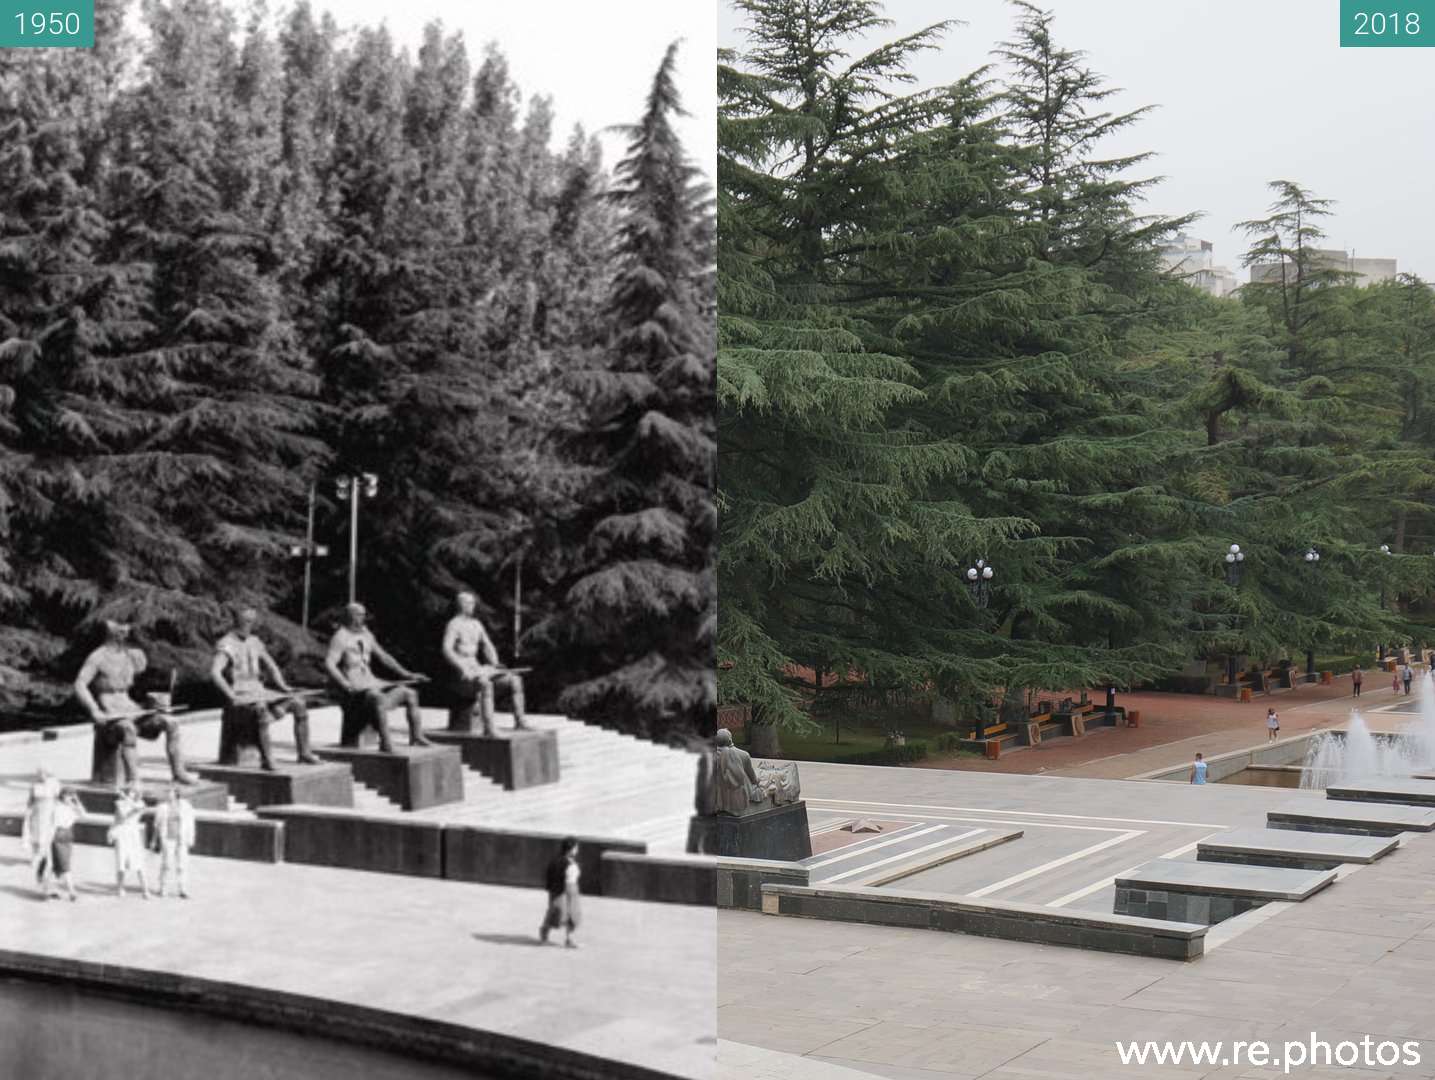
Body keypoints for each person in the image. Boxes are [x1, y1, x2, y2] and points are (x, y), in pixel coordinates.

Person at [75, 620, 195, 784]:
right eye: (120, 632)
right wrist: (94, 709)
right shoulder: (98, 657)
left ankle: (179, 772)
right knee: (128, 729)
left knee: (171, 723)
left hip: (131, 707)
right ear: (111, 633)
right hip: (110, 710)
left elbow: (144, 677)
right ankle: (133, 779)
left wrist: (154, 702)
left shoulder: (130, 655)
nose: (125, 635)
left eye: (126, 632)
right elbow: (80, 684)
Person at [211, 606, 320, 767]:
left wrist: (283, 687)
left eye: (252, 621)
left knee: (299, 703)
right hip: (242, 694)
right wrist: (231, 695)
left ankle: (304, 753)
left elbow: (272, 666)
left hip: (259, 691)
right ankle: (267, 759)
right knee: (260, 709)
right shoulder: (226, 643)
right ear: (237, 621)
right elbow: (215, 673)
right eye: (246, 620)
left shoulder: (255, 641)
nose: (250, 624)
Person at [325, 602, 432, 752]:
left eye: (363, 615)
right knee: (377, 697)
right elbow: (330, 663)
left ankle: (416, 736)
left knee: (410, 693)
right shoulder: (340, 637)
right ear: (349, 616)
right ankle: (385, 742)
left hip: (371, 681)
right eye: (358, 615)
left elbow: (384, 657)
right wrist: (343, 682)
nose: (362, 618)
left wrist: (407, 673)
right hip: (354, 688)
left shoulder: (366, 634)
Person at [442, 590, 528, 735]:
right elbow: (446, 649)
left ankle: (520, 721)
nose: (473, 606)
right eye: (469, 603)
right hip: (461, 675)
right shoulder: (453, 625)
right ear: (461, 604)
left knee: (515, 680)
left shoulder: (476, 624)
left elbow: (487, 645)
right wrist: (461, 667)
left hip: (477, 669)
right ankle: (489, 727)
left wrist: (495, 663)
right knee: (485, 684)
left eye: (473, 603)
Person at [21, 767, 62, 897]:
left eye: (43, 773)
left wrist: (57, 813)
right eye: (39, 773)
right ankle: (35, 856)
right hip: (37, 810)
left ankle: (44, 856)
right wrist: (28, 812)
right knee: (35, 833)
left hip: (49, 810)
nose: (41, 776)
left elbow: (58, 799)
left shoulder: (55, 783)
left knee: (46, 834)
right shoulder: (34, 784)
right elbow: (30, 799)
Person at [151, 784, 196, 899]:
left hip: (181, 839)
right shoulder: (162, 807)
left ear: (176, 793)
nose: (168, 794)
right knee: (167, 864)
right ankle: (163, 888)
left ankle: (183, 889)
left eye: (170, 792)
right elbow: (157, 825)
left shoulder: (185, 806)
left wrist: (190, 838)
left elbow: (190, 824)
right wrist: (154, 840)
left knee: (182, 865)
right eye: (167, 792)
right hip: (167, 838)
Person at [107, 786, 151, 899]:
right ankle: (120, 888)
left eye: (133, 792)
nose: (131, 793)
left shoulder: (140, 803)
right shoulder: (119, 803)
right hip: (122, 834)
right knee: (121, 863)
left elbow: (138, 809)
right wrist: (111, 832)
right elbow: (121, 818)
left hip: (133, 835)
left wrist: (127, 799)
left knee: (139, 863)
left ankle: (145, 890)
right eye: (129, 792)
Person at [540, 837, 581, 948]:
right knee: (565, 915)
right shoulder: (569, 863)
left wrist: (550, 889)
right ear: (571, 849)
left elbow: (548, 876)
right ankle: (565, 939)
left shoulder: (555, 860)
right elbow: (570, 881)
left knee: (556, 914)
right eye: (576, 847)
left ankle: (546, 935)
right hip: (566, 890)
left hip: (556, 891)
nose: (577, 850)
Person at [49, 789, 83, 902]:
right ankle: (72, 891)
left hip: (68, 834)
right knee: (64, 865)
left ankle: (52, 890)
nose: (70, 798)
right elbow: (54, 824)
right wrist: (49, 839)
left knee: (59, 864)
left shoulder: (70, 808)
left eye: (71, 796)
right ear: (62, 796)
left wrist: (77, 802)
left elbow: (83, 814)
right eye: (68, 796)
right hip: (58, 834)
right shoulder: (57, 808)